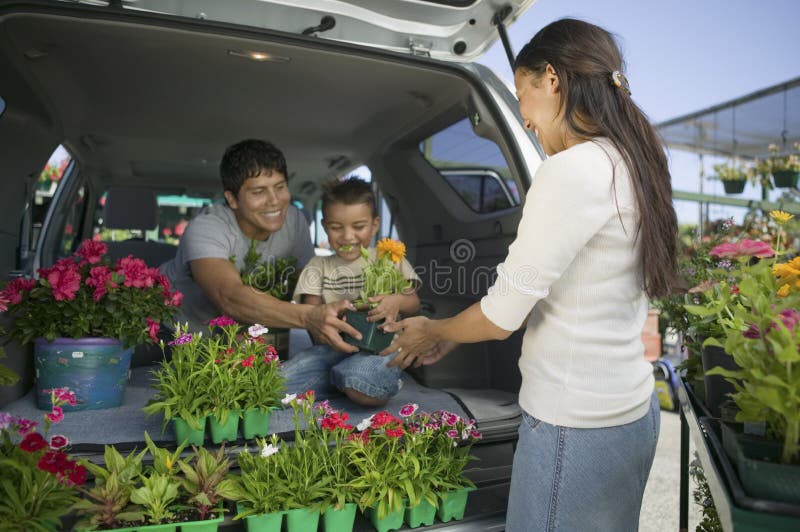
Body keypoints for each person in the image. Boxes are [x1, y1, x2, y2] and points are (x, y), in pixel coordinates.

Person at [381, 19, 679, 531]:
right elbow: (573, 290)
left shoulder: (571, 171)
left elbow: (500, 318)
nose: (523, 115)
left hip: (574, 424)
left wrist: (435, 329)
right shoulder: (633, 162)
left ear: (552, 79)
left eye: (522, 93)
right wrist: (454, 335)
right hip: (630, 411)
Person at [159, 139, 361, 351]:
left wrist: (330, 341)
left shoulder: (294, 221)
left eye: (280, 187)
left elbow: (307, 288)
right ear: (232, 199)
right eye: (258, 192)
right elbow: (228, 296)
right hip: (177, 334)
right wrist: (310, 317)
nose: (274, 200)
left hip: (247, 343)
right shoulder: (207, 227)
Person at [282, 177, 421, 406]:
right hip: (330, 351)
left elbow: (413, 301)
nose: (347, 236)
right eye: (336, 227)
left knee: (361, 379)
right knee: (278, 384)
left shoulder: (390, 257)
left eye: (358, 227)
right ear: (325, 226)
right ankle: (340, 379)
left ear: (374, 225)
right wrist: (329, 330)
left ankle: (351, 380)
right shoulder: (318, 266)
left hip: (380, 350)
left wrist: (396, 300)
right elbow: (311, 317)